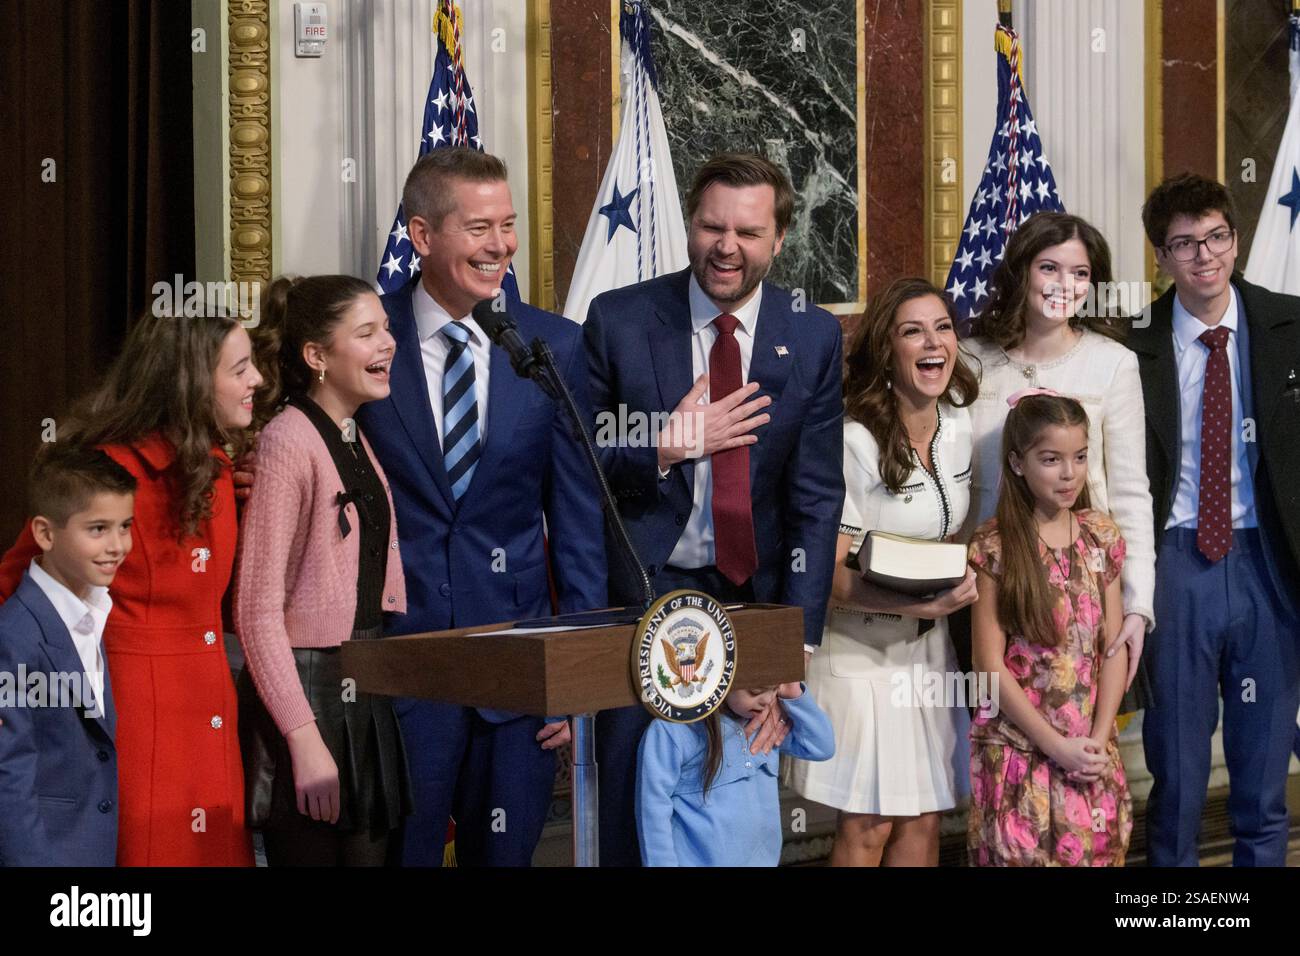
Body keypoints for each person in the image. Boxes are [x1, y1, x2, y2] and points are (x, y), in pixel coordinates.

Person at [584, 152, 845, 866]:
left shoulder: (813, 335)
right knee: (635, 813)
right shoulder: (620, 319)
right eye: (711, 227)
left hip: (750, 602)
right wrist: (665, 446)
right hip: (644, 599)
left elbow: (815, 500)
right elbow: (579, 460)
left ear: (779, 239)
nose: (726, 247)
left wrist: (793, 648)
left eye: (748, 232)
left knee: (730, 816)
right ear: (690, 225)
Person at [354, 148, 607, 867]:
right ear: (422, 235)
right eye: (479, 228)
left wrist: (575, 672)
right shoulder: (367, 339)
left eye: (508, 224)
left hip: (518, 678)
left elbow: (578, 521)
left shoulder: (552, 345)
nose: (501, 245)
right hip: (401, 670)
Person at [0, 312, 263, 866]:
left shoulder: (217, 465)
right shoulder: (108, 470)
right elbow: (15, 584)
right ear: (192, 380)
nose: (257, 380)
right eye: (240, 369)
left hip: (212, 708)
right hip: (140, 721)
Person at [1129, 173, 1300, 867]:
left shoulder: (1290, 324)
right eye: (1185, 244)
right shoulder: (1132, 343)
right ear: (1161, 257)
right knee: (1177, 776)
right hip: (1177, 564)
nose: (1205, 255)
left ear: (1235, 238)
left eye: (1217, 237)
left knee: (1263, 782)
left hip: (1270, 565)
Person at [786, 277, 978, 867]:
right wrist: (919, 606)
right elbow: (827, 577)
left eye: (943, 328)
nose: (934, 342)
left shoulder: (961, 427)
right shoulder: (854, 441)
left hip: (929, 654)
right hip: (860, 655)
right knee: (870, 825)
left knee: (924, 821)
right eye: (913, 331)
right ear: (886, 350)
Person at [233, 275, 410, 866]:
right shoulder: (288, 440)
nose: (388, 343)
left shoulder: (353, 436)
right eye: (367, 332)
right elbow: (256, 611)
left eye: (386, 328)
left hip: (364, 680)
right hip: (311, 693)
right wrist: (302, 735)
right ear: (316, 357)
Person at [960, 212, 1153, 689]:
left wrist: (1137, 604)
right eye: (1049, 268)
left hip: (1080, 593)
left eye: (1080, 273)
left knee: (1073, 725)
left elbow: (1130, 491)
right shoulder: (970, 357)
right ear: (1021, 270)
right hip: (981, 586)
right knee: (985, 724)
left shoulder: (1113, 363)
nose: (1064, 285)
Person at [967, 392, 1132, 866]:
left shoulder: (1101, 536)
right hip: (1022, 750)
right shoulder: (995, 546)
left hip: (1089, 751)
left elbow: (1114, 647)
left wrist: (1097, 741)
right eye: (1051, 459)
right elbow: (987, 665)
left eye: (1079, 457)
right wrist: (1055, 745)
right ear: (1017, 463)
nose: (1069, 474)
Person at [0, 445, 135, 866]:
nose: (118, 545)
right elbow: (8, 776)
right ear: (45, 533)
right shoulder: (15, 636)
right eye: (98, 529)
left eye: (125, 526)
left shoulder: (94, 612)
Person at [635, 682, 833, 867]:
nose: (766, 700)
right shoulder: (673, 731)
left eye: (774, 690)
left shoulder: (767, 725)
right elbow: (653, 812)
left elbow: (821, 746)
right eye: (756, 691)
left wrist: (792, 691)